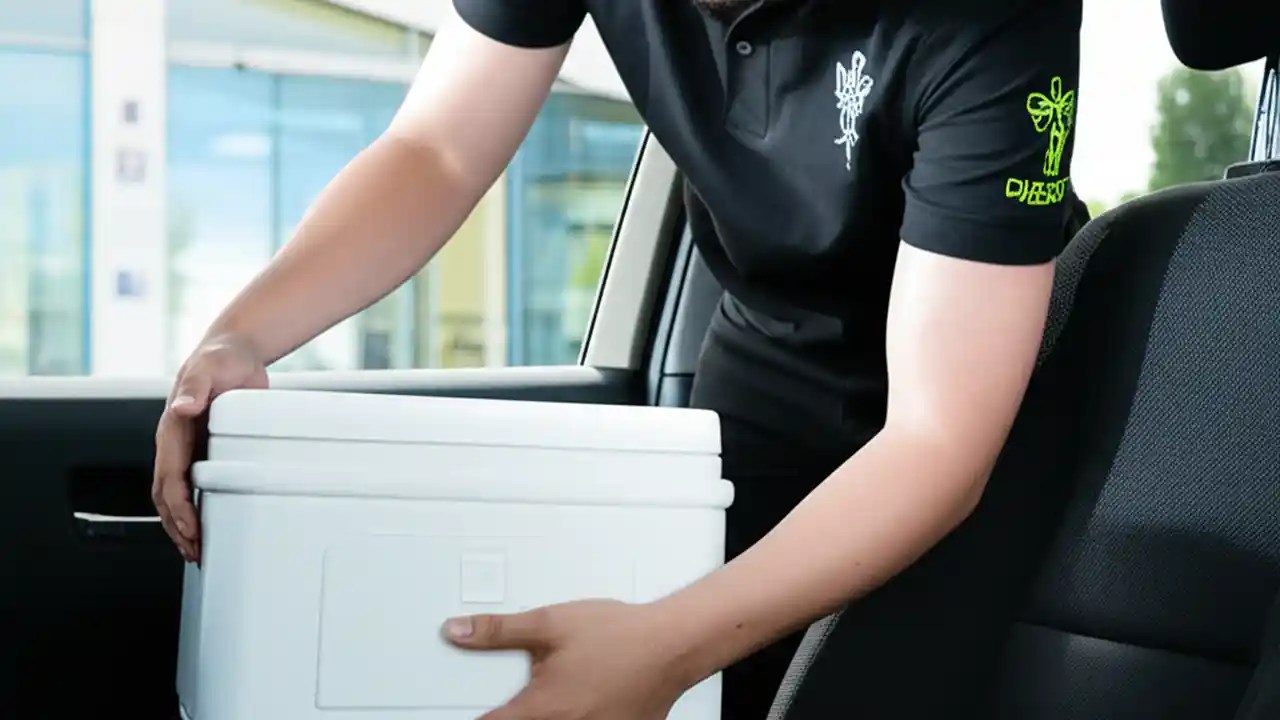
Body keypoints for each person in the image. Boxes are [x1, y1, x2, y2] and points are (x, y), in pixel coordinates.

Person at [152, 0, 1086, 717]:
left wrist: (667, 648)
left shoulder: (991, 20)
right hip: (762, 364)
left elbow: (937, 438)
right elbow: (437, 149)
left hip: (970, 399)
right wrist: (242, 334)